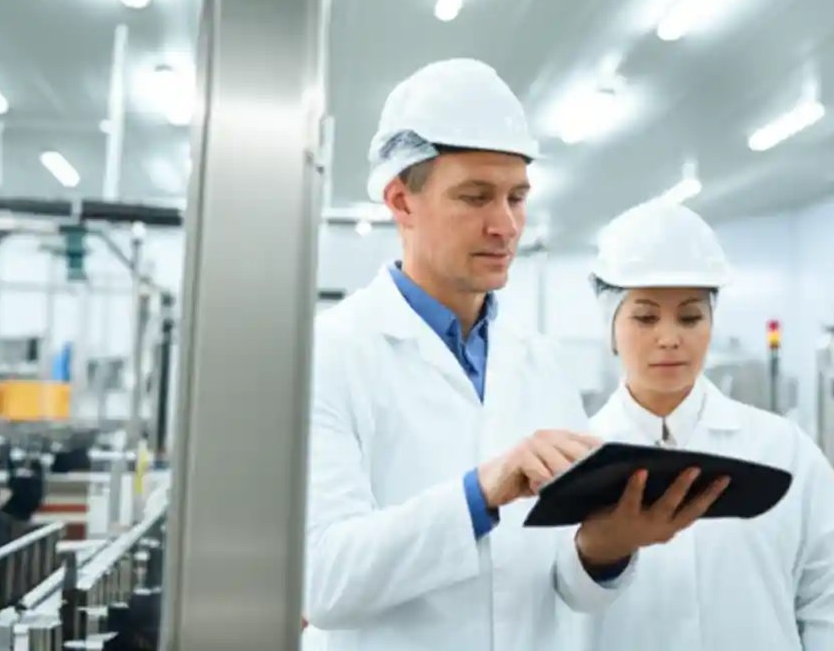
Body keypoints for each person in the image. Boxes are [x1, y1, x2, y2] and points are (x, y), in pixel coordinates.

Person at [302, 59, 727, 651]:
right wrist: (481, 492)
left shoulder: (540, 363)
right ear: (402, 202)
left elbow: (568, 588)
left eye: (517, 197)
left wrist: (607, 546)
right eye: (476, 197)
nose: (505, 225)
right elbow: (322, 580)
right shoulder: (331, 354)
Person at [585, 197, 834, 650]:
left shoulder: (782, 451)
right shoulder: (579, 459)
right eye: (645, 317)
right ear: (610, 324)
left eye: (690, 317)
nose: (669, 337)